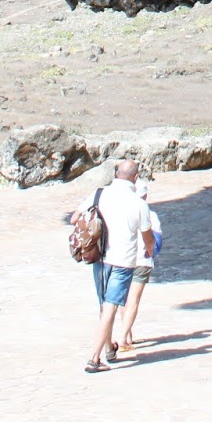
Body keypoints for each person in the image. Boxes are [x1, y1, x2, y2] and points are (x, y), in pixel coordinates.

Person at [79, 159, 153, 373]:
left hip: (100, 257)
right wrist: (150, 251)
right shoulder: (139, 204)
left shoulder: (99, 194)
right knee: (110, 306)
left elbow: (75, 218)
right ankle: (94, 358)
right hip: (123, 261)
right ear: (135, 178)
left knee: (104, 306)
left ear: (116, 174)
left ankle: (109, 350)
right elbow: (148, 238)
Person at [113, 177, 162, 351]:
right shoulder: (151, 215)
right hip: (142, 260)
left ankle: (127, 335)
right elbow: (156, 243)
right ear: (145, 195)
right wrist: (150, 252)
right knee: (133, 300)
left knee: (124, 299)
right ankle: (123, 338)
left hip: (122, 258)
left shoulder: (119, 212)